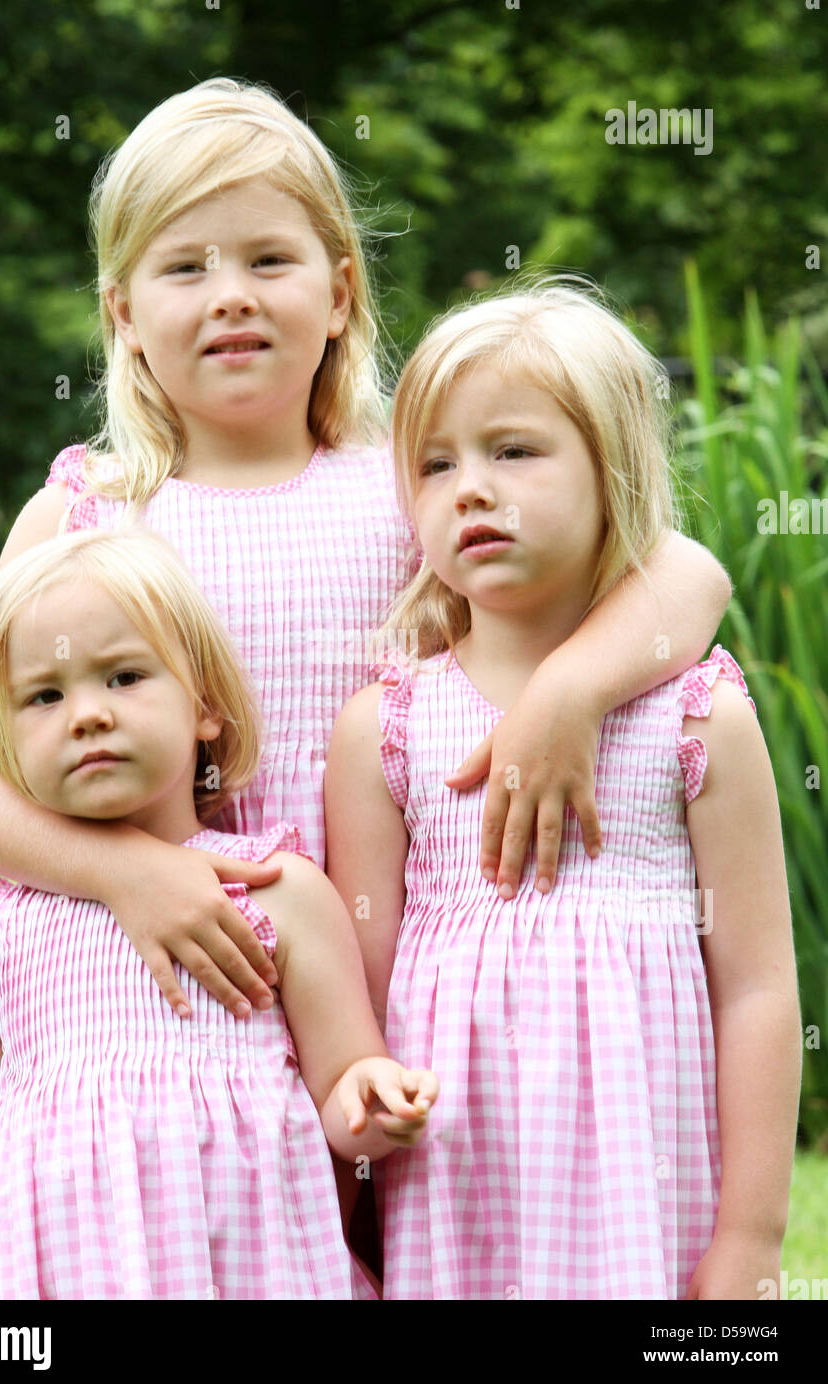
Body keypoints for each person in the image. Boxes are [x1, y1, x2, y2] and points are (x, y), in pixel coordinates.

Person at [0, 78, 734, 1033]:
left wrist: (569, 693)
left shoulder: (410, 486)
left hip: (397, 980)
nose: (231, 295)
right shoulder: (86, 517)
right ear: (123, 318)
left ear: (339, 292)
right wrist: (127, 872)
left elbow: (689, 576)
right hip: (177, 983)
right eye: (184, 268)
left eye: (270, 259)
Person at [324, 280, 801, 1299]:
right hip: (452, 1185)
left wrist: (751, 1237)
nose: (469, 488)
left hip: (646, 1185)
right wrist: (352, 1141)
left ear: (612, 468)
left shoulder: (697, 714)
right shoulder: (386, 731)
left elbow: (758, 988)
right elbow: (356, 989)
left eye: (514, 450)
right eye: (436, 463)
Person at [0, 529, 436, 1300]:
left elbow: (345, 1085)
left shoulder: (275, 891)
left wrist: (370, 1101)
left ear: (204, 708)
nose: (86, 715)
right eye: (45, 696)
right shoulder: (2, 923)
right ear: (1, 741)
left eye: (123, 677)